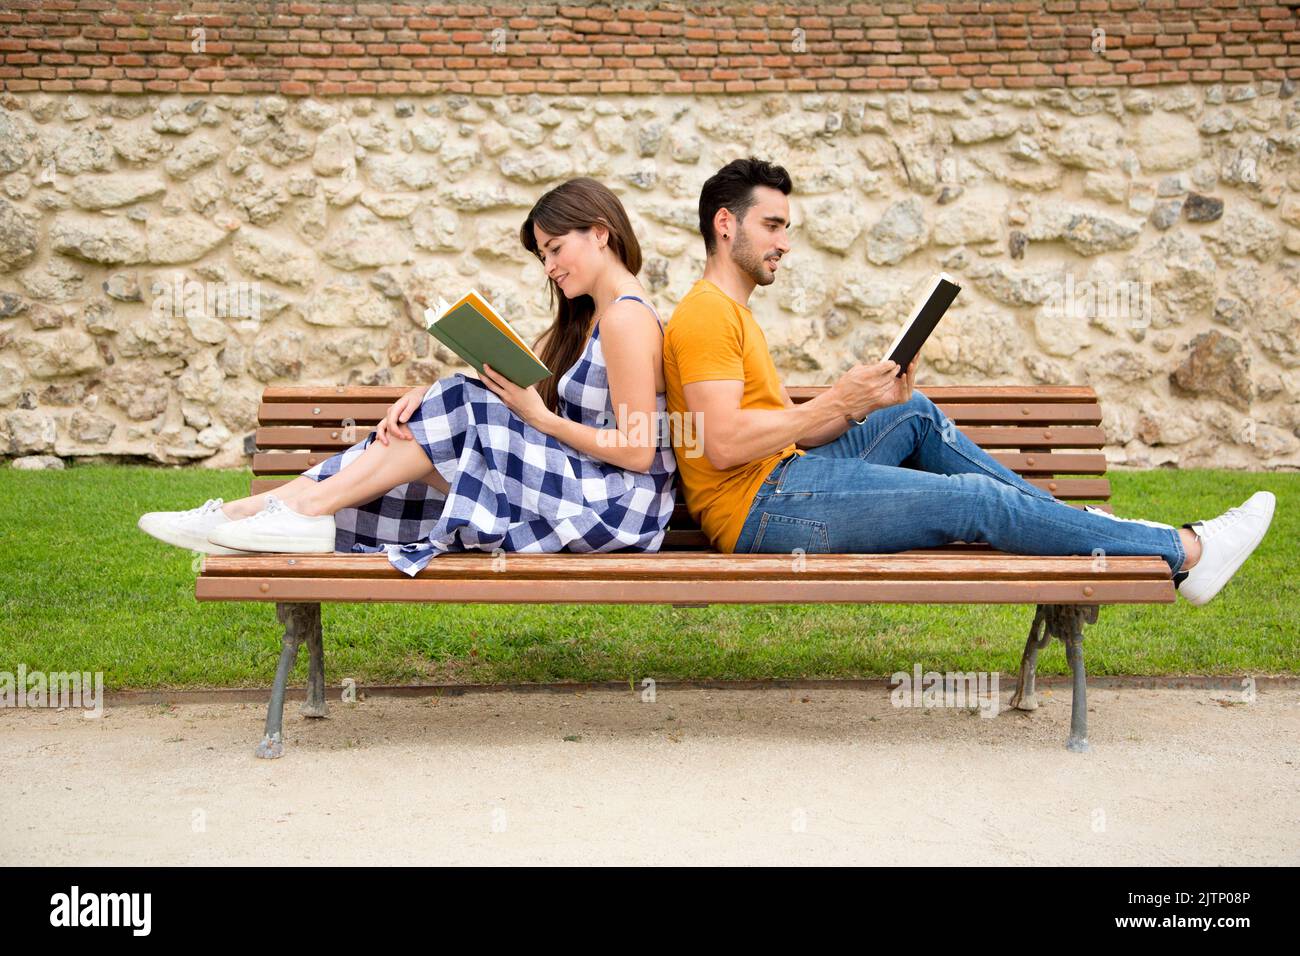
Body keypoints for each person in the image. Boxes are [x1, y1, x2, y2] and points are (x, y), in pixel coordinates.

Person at [662, 157, 1276, 606]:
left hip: (781, 476)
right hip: (762, 512)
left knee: (913, 412)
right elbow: (724, 444)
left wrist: (864, 404)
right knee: (975, 502)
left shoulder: (730, 311)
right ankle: (1184, 552)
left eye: (785, 228)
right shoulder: (706, 316)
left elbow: (774, 434)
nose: (785, 244)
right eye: (772, 226)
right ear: (725, 224)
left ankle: (1085, 526)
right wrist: (834, 399)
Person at [138, 178, 677, 576]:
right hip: (573, 488)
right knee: (446, 405)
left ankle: (296, 511)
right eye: (543, 255)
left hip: (618, 507)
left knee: (457, 402)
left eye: (555, 249)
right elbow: (505, 387)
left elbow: (637, 452)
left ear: (601, 234)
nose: (549, 268)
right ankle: (244, 513)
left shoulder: (628, 318)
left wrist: (540, 418)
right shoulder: (582, 321)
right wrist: (426, 396)